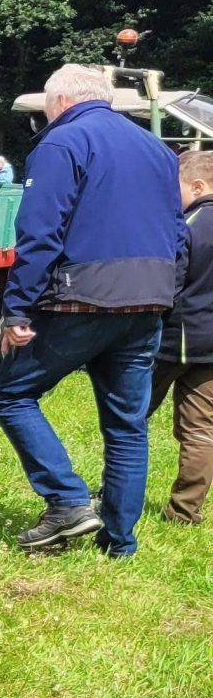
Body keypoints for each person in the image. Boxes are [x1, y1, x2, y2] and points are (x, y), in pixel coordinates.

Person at [0, 64, 188, 556]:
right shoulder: (158, 150)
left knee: (9, 392)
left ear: (60, 102)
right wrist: (166, 292)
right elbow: (177, 233)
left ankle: (68, 501)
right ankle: (119, 542)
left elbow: (39, 233)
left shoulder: (61, 143)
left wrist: (16, 311)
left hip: (83, 294)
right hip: (149, 298)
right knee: (127, 425)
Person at [151, 150, 213, 522]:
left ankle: (114, 492)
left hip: (175, 339)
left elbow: (168, 283)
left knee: (129, 417)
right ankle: (185, 510)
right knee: (200, 427)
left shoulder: (188, 224)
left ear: (198, 185)